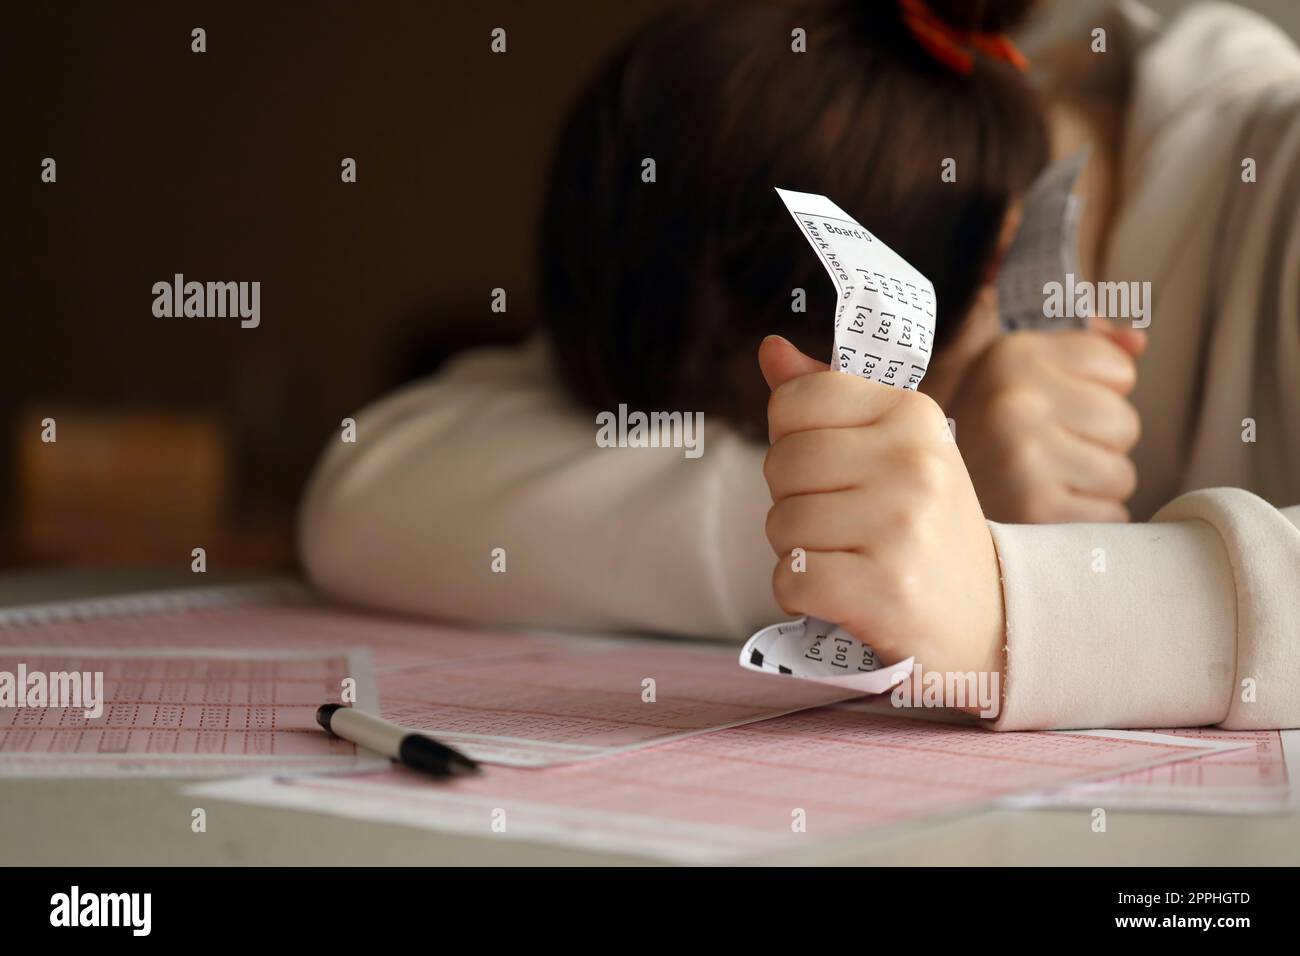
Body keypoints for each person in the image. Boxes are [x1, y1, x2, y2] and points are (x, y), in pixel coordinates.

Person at [298, 0, 1300, 730]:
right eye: (763, 424)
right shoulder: (877, 160)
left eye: (801, 403)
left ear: (998, 261)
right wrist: (875, 523)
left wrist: (1009, 598)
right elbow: (372, 492)